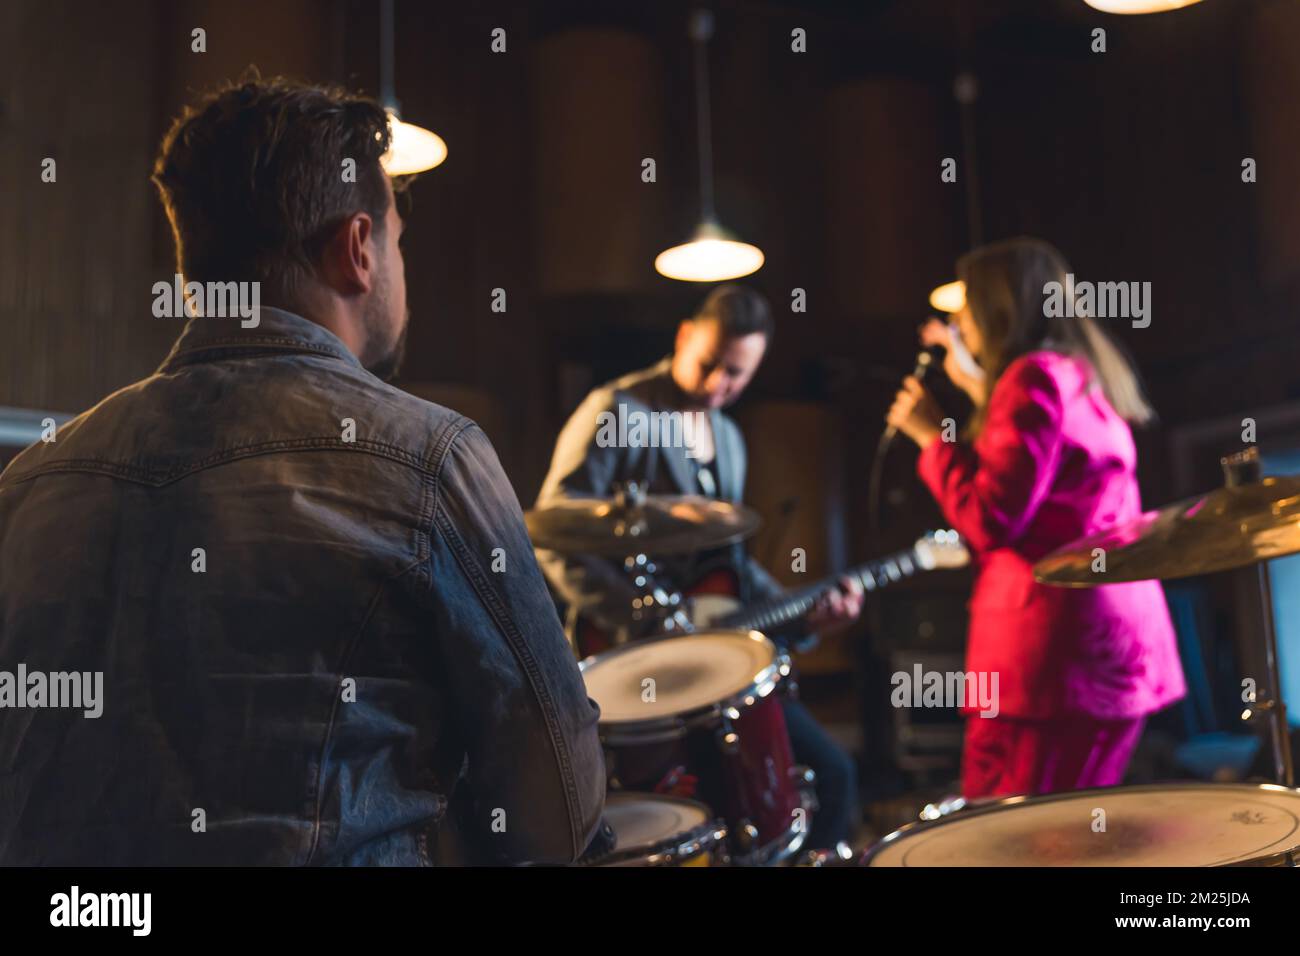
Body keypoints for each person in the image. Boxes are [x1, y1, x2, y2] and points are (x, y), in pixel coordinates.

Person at [0, 77, 607, 865]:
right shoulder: (430, 457)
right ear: (359, 250)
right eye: (396, 240)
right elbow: (558, 810)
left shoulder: (30, 481)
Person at [535, 284, 864, 852]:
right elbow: (553, 535)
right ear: (684, 336)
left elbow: (727, 568)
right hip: (630, 656)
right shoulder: (617, 410)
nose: (719, 385)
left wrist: (806, 613)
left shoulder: (730, 437)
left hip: (711, 663)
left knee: (831, 776)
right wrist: (641, 615)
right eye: (709, 365)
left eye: (737, 375)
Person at [885, 236, 1186, 800]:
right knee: (1070, 831)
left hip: (1049, 659)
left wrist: (931, 437)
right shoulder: (1080, 377)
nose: (962, 324)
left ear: (997, 308)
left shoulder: (1030, 379)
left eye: (967, 309)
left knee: (1013, 834)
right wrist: (975, 383)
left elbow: (990, 518)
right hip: (1114, 644)